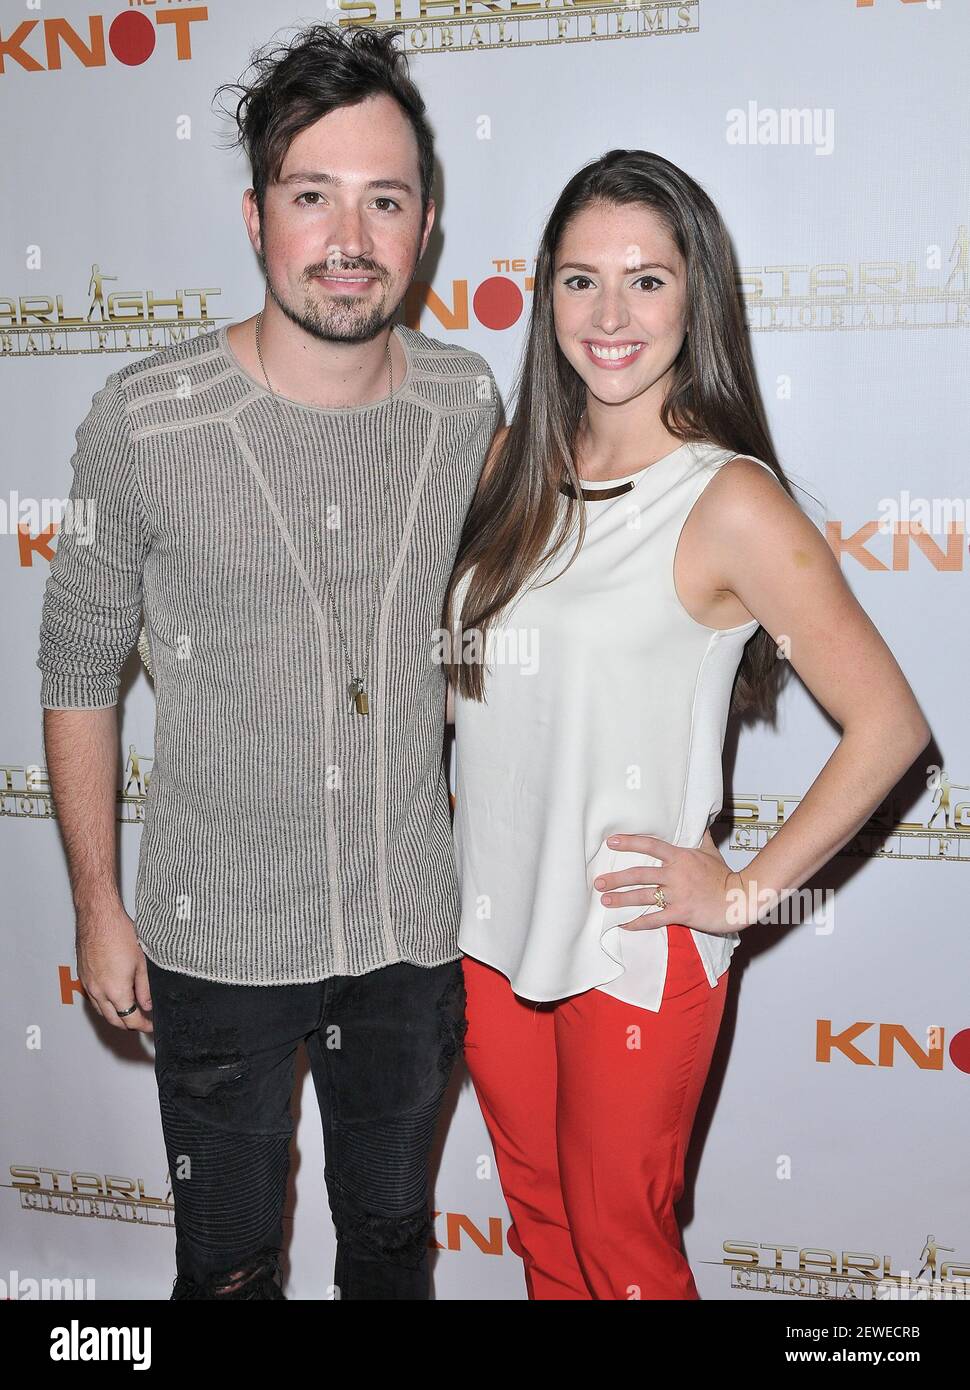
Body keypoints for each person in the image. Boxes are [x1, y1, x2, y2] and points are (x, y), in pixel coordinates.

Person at [37, 24, 501, 1300]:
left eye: (383, 198)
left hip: (412, 930)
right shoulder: (142, 416)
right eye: (313, 195)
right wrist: (95, 899)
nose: (349, 234)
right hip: (210, 937)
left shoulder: (470, 404)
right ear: (256, 217)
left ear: (424, 226)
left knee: (393, 1250)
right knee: (229, 1265)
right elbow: (76, 662)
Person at [441, 149, 931, 1300]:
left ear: (695, 297)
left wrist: (743, 893)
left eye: (647, 280)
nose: (609, 315)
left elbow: (888, 724)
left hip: (628, 947)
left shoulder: (729, 499)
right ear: (543, 295)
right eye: (579, 280)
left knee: (620, 1259)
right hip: (484, 930)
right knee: (545, 1240)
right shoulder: (509, 462)